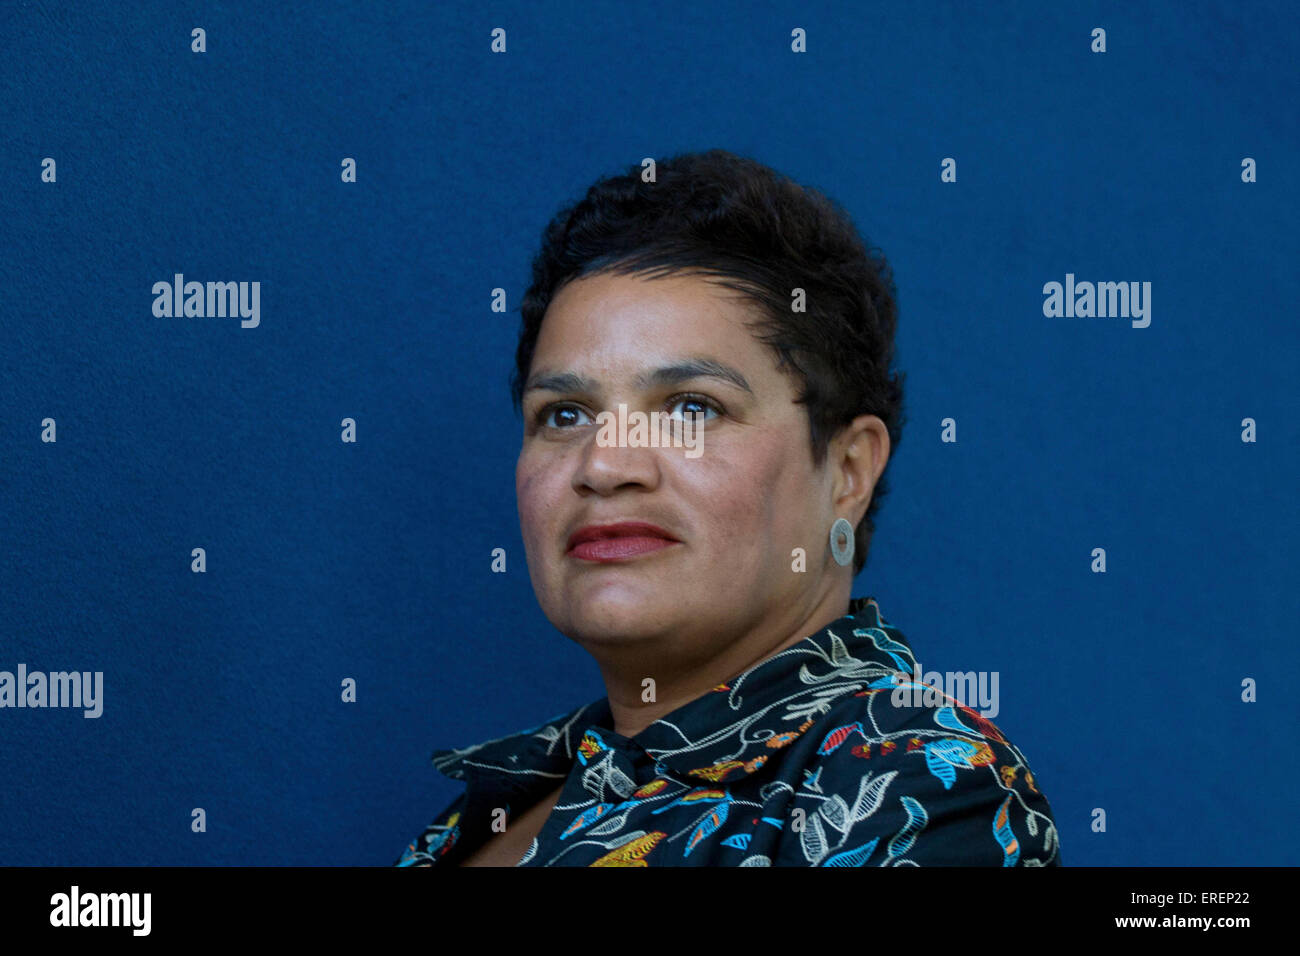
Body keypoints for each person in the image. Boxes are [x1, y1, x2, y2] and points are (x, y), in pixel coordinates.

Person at [395, 149, 1059, 867]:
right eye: (562, 415)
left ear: (848, 468)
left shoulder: (918, 784)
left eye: (690, 407)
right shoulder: (493, 806)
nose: (604, 464)